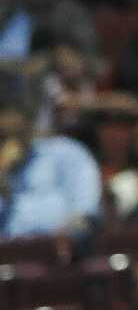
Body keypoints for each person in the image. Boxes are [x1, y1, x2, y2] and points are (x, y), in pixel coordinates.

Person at [0, 99, 102, 238]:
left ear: (28, 124)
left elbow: (86, 211)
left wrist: (67, 238)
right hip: (9, 250)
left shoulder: (64, 151)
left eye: (11, 134)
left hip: (57, 249)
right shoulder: (6, 170)